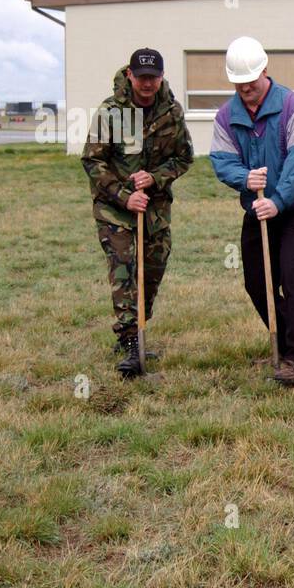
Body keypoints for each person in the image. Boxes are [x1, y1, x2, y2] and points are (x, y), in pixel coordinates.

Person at [209, 36, 294, 386]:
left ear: (265, 72)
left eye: (252, 82)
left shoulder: (293, 107)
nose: (246, 89)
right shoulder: (226, 117)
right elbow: (221, 160)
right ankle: (286, 334)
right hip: (259, 206)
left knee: (292, 272)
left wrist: (278, 201)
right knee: (256, 280)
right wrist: (245, 178)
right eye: (239, 83)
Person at [81, 47, 194, 378]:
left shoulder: (171, 112)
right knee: (125, 272)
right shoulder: (111, 111)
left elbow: (184, 158)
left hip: (155, 210)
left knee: (152, 271)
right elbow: (92, 161)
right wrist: (122, 196)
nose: (147, 83)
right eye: (142, 77)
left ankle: (137, 328)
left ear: (161, 78)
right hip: (115, 210)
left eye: (153, 77)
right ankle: (131, 342)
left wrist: (157, 178)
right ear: (130, 75)